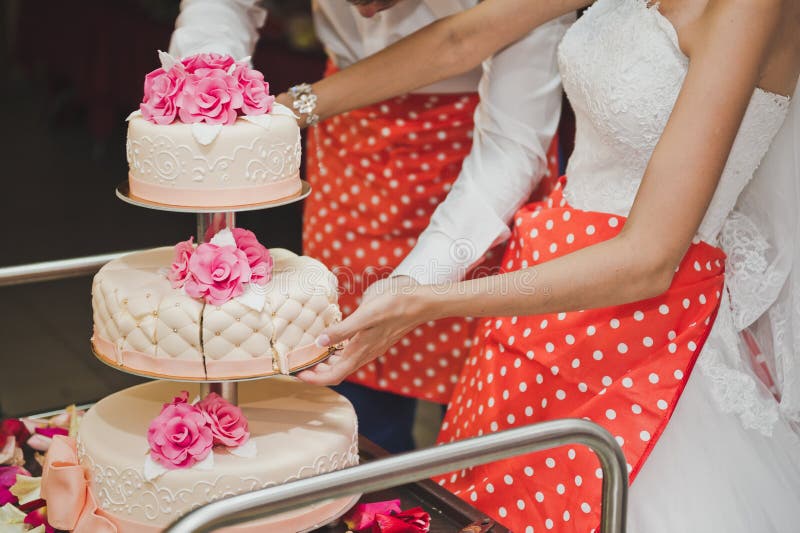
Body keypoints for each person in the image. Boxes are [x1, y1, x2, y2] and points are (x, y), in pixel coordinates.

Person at [297, 0, 800, 531]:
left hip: (652, 330)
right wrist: (284, 111)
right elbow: (461, 39)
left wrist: (425, 301)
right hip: (535, 301)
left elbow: (648, 260)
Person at [168, 0, 573, 452]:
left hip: (480, 152)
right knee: (348, 410)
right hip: (348, 147)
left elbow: (510, 149)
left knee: (481, 421)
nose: (363, 12)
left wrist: (417, 282)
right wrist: (210, 82)